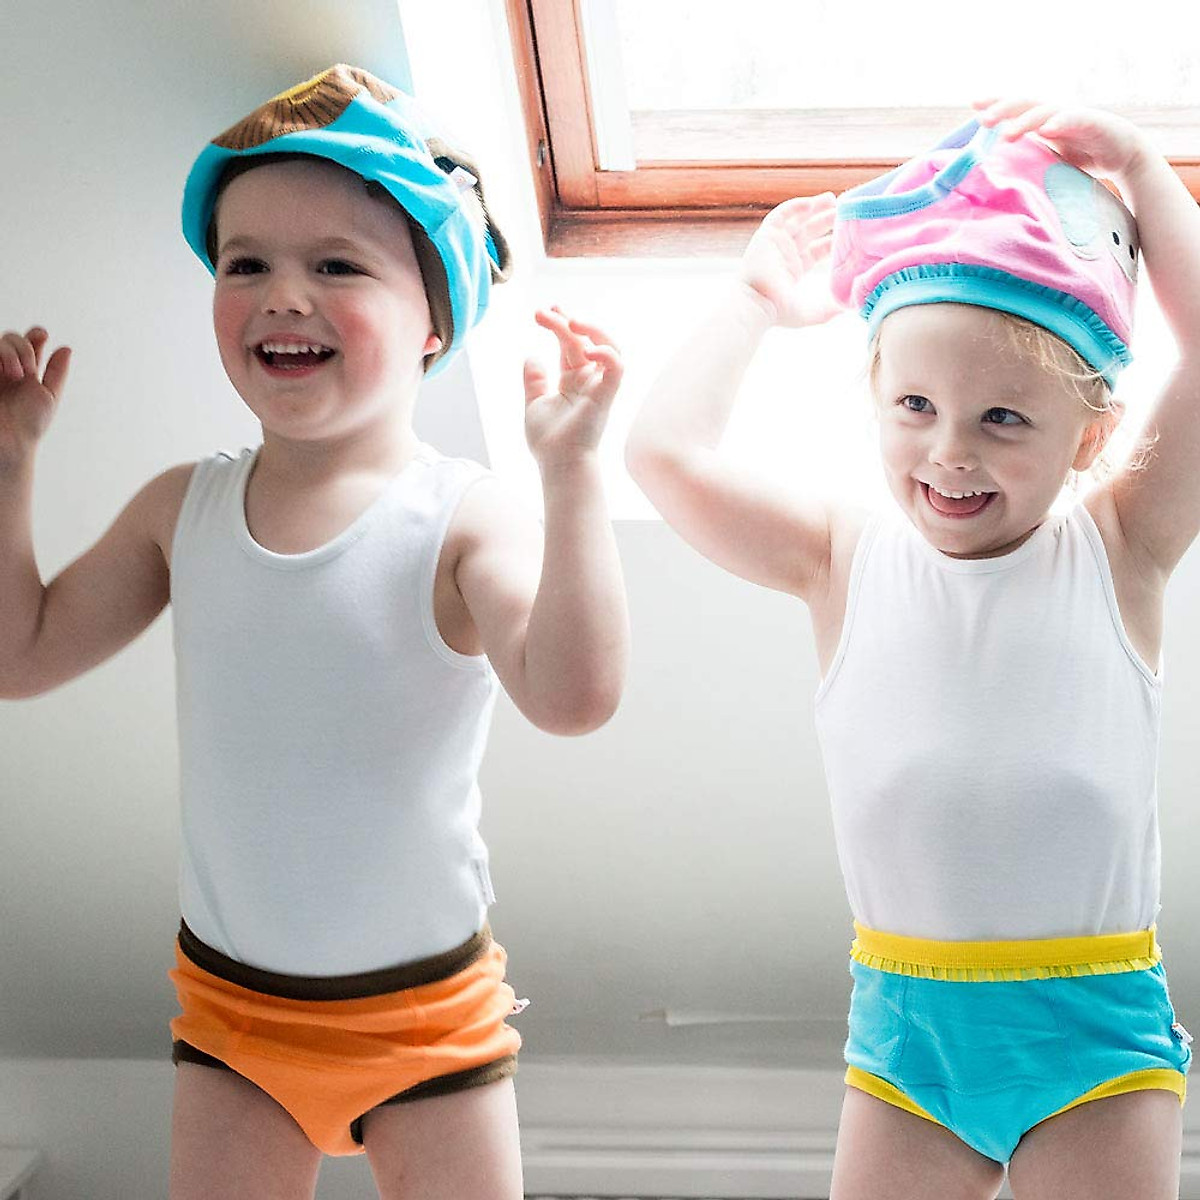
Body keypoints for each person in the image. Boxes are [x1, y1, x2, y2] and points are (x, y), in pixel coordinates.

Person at [0, 64, 628, 1200]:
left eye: (336, 265)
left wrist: (572, 474)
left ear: (434, 318)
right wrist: (10, 468)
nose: (283, 295)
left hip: (425, 1028)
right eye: (246, 265)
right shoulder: (180, 508)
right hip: (234, 1020)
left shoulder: (462, 517)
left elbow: (574, 699)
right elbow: (21, 655)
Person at [625, 97, 1197, 1199]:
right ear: (876, 399)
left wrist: (1138, 164)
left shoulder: (1121, 546)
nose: (949, 452)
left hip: (1093, 1036)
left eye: (1003, 419)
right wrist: (753, 303)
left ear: (1092, 435)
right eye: (916, 405)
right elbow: (663, 454)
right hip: (907, 1037)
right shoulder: (838, 556)